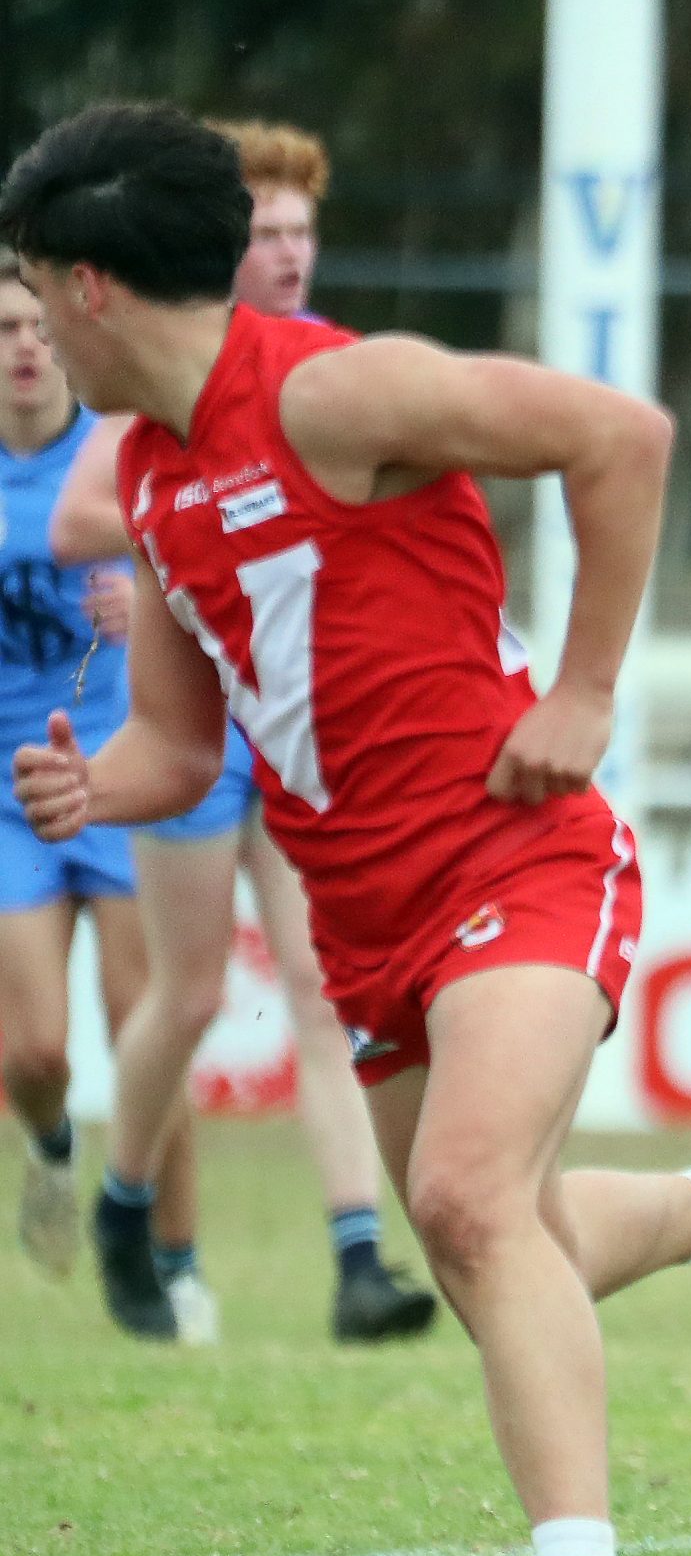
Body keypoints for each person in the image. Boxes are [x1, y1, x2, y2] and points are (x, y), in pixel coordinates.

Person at [4, 102, 691, 1556]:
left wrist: (583, 690)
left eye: (23, 286)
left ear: (87, 286)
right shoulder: (147, 478)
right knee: (521, 1233)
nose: (15, 325)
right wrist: (101, 791)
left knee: (459, 1198)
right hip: (364, 917)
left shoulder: (324, 387)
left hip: (515, 858)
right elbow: (183, 742)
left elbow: (622, 437)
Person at [48, 118, 436, 1345]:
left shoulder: (331, 366)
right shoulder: (164, 386)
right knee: (193, 988)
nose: (285, 254)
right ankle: (123, 1202)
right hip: (191, 733)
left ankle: (358, 1258)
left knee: (322, 993)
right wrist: (161, 562)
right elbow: (82, 516)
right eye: (263, 233)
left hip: (300, 730)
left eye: (301, 233)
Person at [1, 255, 162, 1292]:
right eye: (2, 329)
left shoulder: (118, 457)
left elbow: (201, 585)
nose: (23, 346)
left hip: (125, 773)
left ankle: (152, 1252)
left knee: (147, 1017)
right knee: (38, 1054)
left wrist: (141, 609)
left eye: (34, 326)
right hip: (14, 792)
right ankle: (54, 1147)